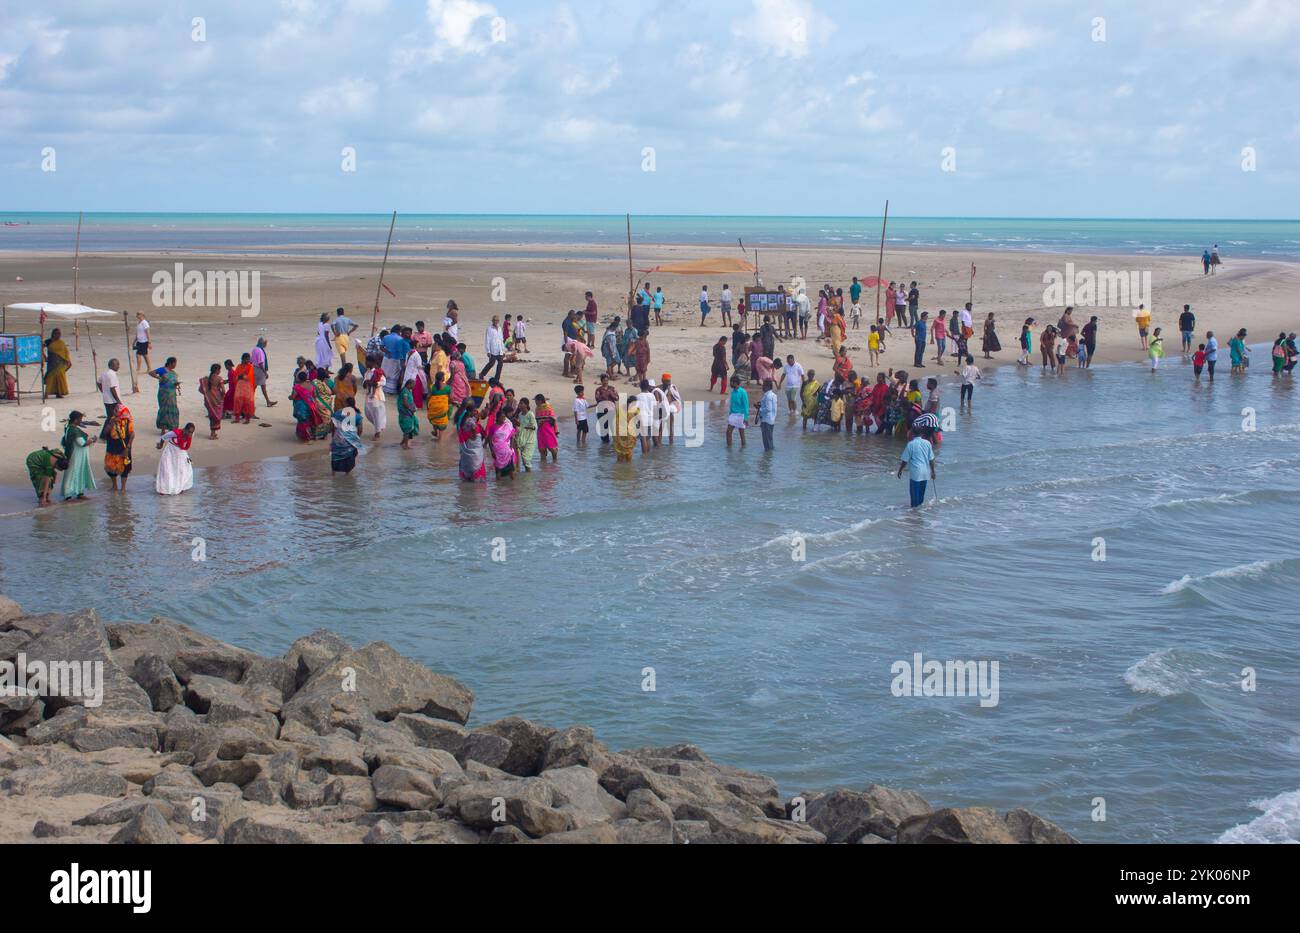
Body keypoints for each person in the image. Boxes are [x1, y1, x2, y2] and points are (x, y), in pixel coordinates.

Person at [57, 411, 95, 501]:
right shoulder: (73, 430)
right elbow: (81, 443)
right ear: (75, 420)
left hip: (78, 455)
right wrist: (92, 440)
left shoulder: (69, 428)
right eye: (80, 419)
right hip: (76, 455)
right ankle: (68, 494)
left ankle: (79, 493)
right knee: (73, 473)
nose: (81, 421)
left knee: (78, 472)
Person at [897, 427, 936, 508]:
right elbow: (931, 459)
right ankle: (919, 515)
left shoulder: (910, 444)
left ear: (912, 434)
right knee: (921, 496)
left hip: (916, 473)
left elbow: (905, 460)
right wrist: (933, 471)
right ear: (922, 433)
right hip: (925, 472)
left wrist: (900, 470)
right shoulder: (927, 443)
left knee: (914, 499)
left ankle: (914, 516)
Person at [155, 423, 195, 496]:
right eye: (189, 432)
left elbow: (185, 447)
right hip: (170, 452)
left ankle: (181, 487)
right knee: (167, 470)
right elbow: (163, 437)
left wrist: (188, 458)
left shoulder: (191, 435)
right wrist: (160, 446)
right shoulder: (175, 433)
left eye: (192, 432)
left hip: (180, 453)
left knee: (184, 469)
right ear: (185, 429)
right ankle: (164, 489)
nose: (190, 434)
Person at [330, 405, 366, 474]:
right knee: (349, 456)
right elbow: (360, 430)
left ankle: (333, 473)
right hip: (349, 440)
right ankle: (347, 473)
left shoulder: (337, 413)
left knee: (335, 455)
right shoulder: (357, 416)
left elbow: (333, 426)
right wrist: (356, 439)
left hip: (337, 438)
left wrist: (333, 435)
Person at [150, 357, 181, 433]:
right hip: (164, 394)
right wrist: (159, 377)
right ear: (170, 363)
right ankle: (163, 429)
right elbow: (151, 372)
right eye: (174, 363)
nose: (175, 365)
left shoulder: (173, 373)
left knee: (173, 410)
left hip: (172, 394)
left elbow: (173, 382)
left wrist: (176, 384)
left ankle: (172, 428)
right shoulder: (162, 370)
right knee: (164, 410)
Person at [290, 371, 323, 442]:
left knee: (302, 421)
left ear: (299, 378)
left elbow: (293, 397)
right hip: (311, 406)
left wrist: (289, 397)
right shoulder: (311, 385)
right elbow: (314, 396)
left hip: (301, 407)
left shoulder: (297, 387)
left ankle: (305, 437)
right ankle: (312, 435)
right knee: (310, 420)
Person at [95, 358, 123, 440]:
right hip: (112, 400)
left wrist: (103, 391)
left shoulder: (105, 373)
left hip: (106, 399)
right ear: (111, 365)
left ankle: (109, 434)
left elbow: (98, 382)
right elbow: (112, 388)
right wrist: (118, 400)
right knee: (111, 418)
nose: (118, 366)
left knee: (111, 417)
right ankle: (104, 436)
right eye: (117, 364)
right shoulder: (112, 375)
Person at [363, 356, 387, 439]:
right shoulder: (367, 372)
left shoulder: (377, 372)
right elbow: (364, 383)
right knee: (368, 413)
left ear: (371, 363)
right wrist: (366, 382)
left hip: (377, 396)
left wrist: (376, 383)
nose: (365, 363)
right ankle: (379, 426)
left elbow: (383, 381)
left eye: (366, 362)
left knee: (376, 414)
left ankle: (377, 432)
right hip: (368, 396)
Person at [43, 328, 71, 399]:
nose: (59, 335)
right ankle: (46, 393)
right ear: (53, 334)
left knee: (60, 377)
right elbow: (40, 347)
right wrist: (44, 356)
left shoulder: (61, 342)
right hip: (52, 362)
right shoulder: (48, 341)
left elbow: (66, 351)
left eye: (60, 334)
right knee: (50, 377)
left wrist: (68, 360)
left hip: (61, 363)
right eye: (57, 333)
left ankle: (59, 393)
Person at [489, 410, 516, 479]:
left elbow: (512, 436)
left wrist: (511, 447)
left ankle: (512, 488)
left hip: (507, 451)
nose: (504, 418)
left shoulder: (507, 425)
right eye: (502, 417)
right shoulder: (493, 427)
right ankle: (499, 488)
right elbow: (489, 440)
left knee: (511, 472)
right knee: (498, 472)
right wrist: (492, 451)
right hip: (497, 452)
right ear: (497, 418)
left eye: (504, 417)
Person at [200, 363, 225, 439]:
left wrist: (208, 394)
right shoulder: (219, 378)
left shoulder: (206, 378)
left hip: (209, 400)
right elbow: (223, 390)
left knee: (212, 416)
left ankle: (212, 432)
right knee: (216, 416)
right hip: (216, 399)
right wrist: (222, 397)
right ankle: (212, 434)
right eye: (219, 369)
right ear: (217, 370)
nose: (220, 371)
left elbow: (201, 389)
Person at [251, 336, 276, 407]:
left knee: (259, 386)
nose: (266, 345)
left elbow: (251, 360)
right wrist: (265, 372)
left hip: (254, 369)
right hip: (260, 370)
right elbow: (261, 363)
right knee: (259, 386)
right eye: (265, 343)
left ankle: (268, 401)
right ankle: (251, 401)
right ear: (262, 343)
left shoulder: (254, 349)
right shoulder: (260, 351)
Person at [231, 353, 257, 423]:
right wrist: (240, 377)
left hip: (247, 386)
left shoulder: (250, 366)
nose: (248, 360)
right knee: (238, 401)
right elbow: (235, 376)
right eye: (247, 359)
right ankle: (237, 418)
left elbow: (249, 376)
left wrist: (241, 376)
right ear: (243, 359)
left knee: (247, 402)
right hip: (240, 386)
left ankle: (247, 419)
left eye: (249, 359)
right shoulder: (239, 366)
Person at [426, 371, 451, 441]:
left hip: (433, 407)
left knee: (434, 418)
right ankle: (440, 438)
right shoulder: (448, 388)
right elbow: (449, 399)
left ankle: (435, 432)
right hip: (442, 408)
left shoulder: (432, 387)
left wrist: (428, 406)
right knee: (442, 421)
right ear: (443, 378)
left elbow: (428, 397)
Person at [534, 394, 558, 462]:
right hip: (540, 429)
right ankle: (543, 464)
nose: (535, 402)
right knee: (542, 449)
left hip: (548, 429)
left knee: (551, 447)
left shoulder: (548, 407)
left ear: (540, 400)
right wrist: (539, 422)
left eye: (536, 400)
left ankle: (555, 461)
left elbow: (552, 418)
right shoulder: (537, 408)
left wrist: (543, 420)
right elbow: (536, 419)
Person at [726, 375, 748, 448]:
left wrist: (746, 418)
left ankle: (743, 450)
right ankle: (729, 449)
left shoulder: (743, 392)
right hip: (733, 415)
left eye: (731, 382)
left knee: (741, 433)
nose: (730, 384)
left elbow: (746, 405)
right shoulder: (733, 392)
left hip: (741, 415)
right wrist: (730, 415)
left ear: (735, 383)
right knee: (728, 432)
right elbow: (732, 404)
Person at [397, 377, 419, 449]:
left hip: (408, 413)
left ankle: (403, 442)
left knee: (409, 428)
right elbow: (405, 403)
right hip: (406, 413)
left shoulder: (407, 391)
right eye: (413, 385)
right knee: (407, 430)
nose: (414, 386)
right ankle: (406, 445)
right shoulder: (405, 392)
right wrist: (411, 409)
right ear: (409, 384)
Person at [483, 315, 506, 382]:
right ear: (492, 321)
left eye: (497, 320)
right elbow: (487, 340)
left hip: (499, 349)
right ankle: (482, 374)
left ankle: (497, 378)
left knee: (500, 364)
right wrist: (488, 351)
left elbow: (501, 339)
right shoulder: (489, 328)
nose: (496, 322)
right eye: (495, 320)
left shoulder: (499, 328)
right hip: (492, 349)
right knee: (491, 363)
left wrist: (503, 350)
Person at [758, 378, 778, 451]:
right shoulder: (773, 395)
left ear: (767, 387)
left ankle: (767, 459)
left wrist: (759, 409)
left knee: (767, 442)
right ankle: (769, 459)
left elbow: (768, 409)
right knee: (769, 440)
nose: (762, 387)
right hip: (771, 420)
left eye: (764, 385)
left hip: (766, 420)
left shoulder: (768, 396)